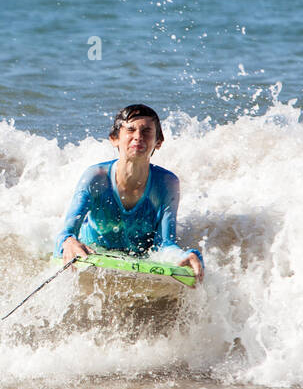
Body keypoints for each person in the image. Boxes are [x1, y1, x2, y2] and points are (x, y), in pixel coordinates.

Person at [55, 104, 204, 282]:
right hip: (94, 259)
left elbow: (165, 244)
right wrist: (69, 242)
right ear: (114, 138)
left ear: (158, 141)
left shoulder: (166, 183)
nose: (138, 137)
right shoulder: (96, 178)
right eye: (130, 130)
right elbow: (66, 234)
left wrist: (182, 257)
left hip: (139, 265)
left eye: (146, 131)